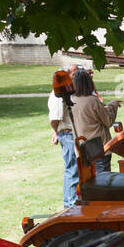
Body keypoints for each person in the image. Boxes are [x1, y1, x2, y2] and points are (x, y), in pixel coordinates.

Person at [70, 68, 119, 174]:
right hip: (99, 149)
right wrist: (113, 106)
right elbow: (108, 121)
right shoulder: (92, 100)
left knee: (89, 183)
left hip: (82, 150)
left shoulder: (72, 102)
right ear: (89, 83)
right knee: (103, 183)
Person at [49, 70, 78, 208]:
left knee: (75, 168)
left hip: (71, 133)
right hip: (67, 134)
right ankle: (70, 203)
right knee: (72, 169)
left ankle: (73, 201)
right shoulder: (57, 97)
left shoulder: (67, 94)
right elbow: (54, 119)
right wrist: (56, 132)